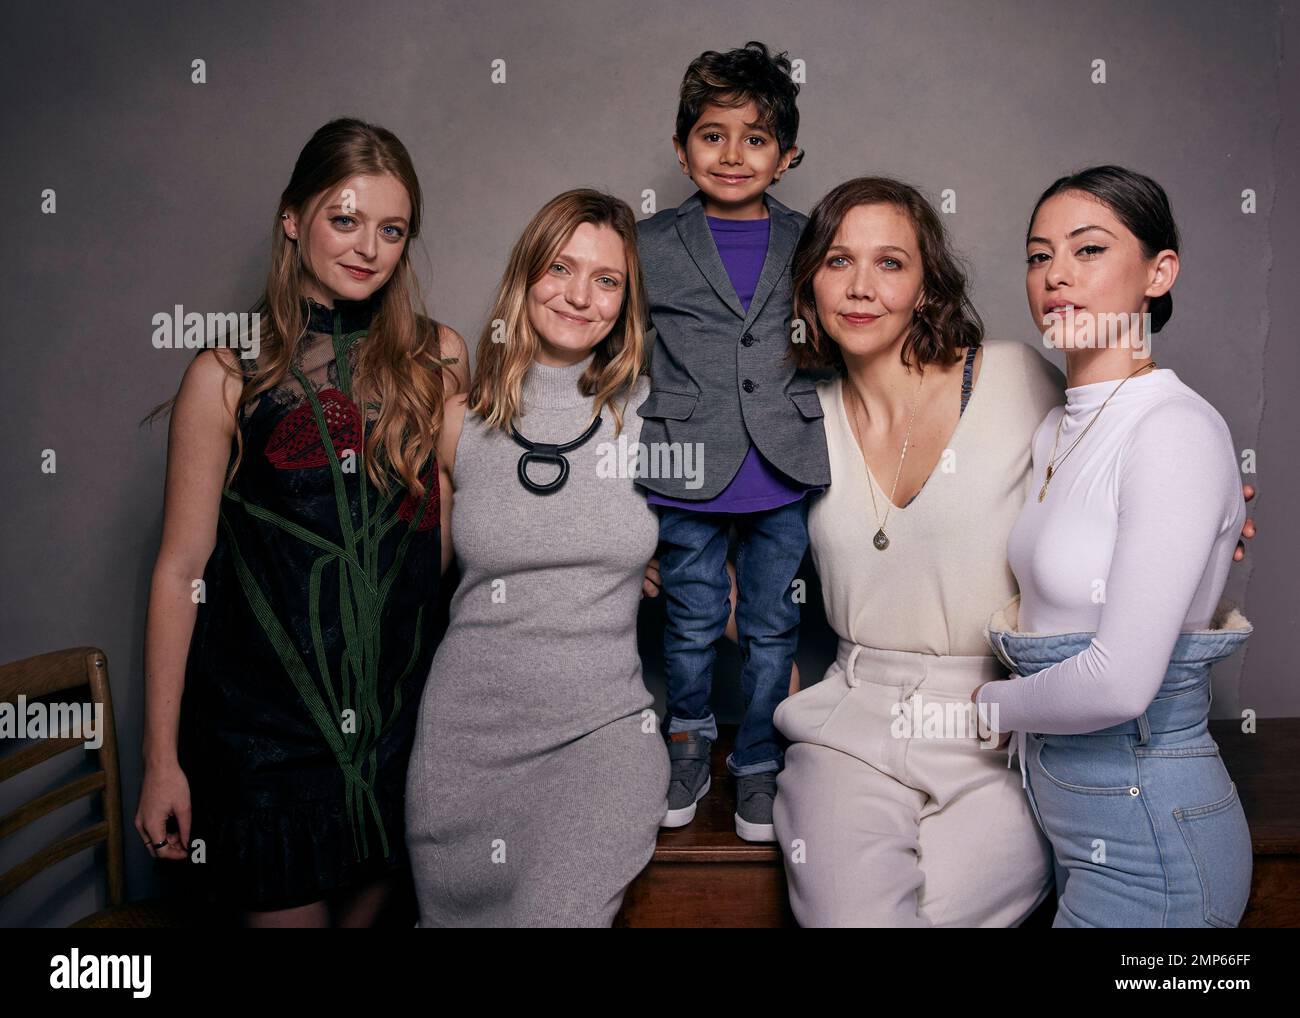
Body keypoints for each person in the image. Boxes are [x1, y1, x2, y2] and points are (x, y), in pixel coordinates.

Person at [135, 118, 467, 927]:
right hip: (263, 744)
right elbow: (182, 573)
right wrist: (159, 761)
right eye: (345, 220)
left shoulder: (440, 359)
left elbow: (455, 546)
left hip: (395, 732)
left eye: (392, 230)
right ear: (293, 218)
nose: (369, 248)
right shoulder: (226, 375)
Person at [766, 177, 1060, 926]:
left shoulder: (1017, 379)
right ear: (809, 283)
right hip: (850, 724)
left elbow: (1119, 461)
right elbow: (743, 569)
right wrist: (641, 558)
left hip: (1002, 729)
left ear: (928, 283)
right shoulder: (797, 419)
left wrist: (1201, 512)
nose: (861, 287)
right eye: (838, 261)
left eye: (891, 263)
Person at [976, 165, 1254, 927]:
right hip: (1068, 825)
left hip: (1153, 842)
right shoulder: (1053, 429)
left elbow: (1119, 684)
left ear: (1159, 272)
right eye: (1038, 257)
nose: (1056, 276)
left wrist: (989, 704)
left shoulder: (1174, 430)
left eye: (1088, 250)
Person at [405, 189, 669, 926]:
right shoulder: (457, 420)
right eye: (560, 268)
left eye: (607, 280)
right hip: (464, 744)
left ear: (626, 302)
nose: (580, 296)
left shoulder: (656, 421)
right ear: (525, 277)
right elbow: (414, 582)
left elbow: (715, 571)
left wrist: (794, 681)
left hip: (602, 734)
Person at [636, 41, 830, 841]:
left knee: (771, 627)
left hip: (782, 465)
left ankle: (758, 761)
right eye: (712, 135)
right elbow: (619, 360)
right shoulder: (646, 243)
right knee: (688, 622)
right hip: (684, 464)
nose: (732, 154)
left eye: (755, 138)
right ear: (682, 147)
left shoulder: (813, 238)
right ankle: (688, 746)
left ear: (787, 157)